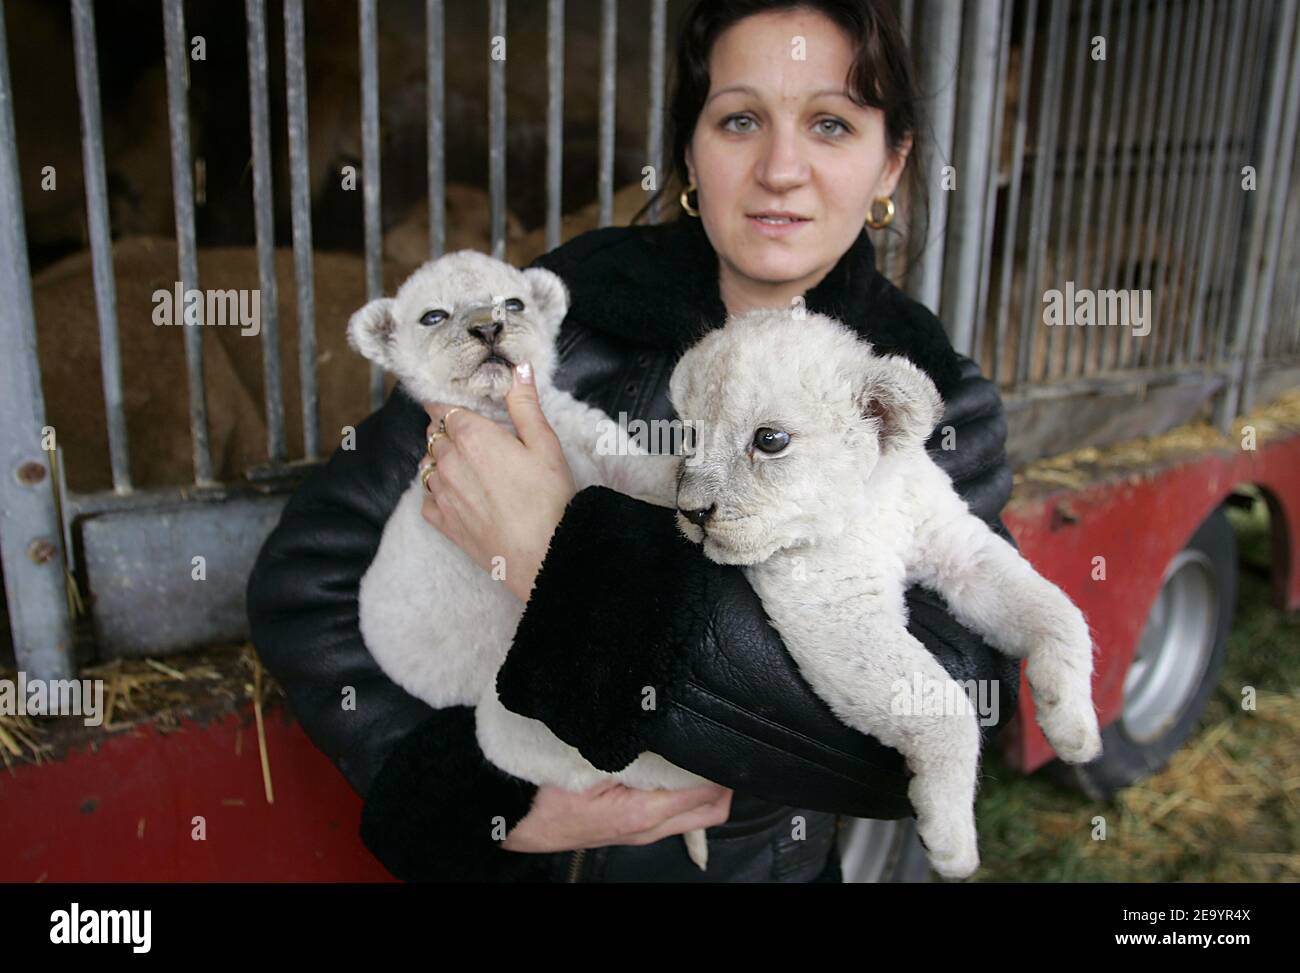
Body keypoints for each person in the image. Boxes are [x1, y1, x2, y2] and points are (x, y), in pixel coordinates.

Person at [246, 0, 1019, 883]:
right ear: (692, 150)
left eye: (831, 124)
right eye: (739, 119)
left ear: (892, 162)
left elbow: (929, 725)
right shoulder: (555, 325)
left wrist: (553, 556)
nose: (780, 169)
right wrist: (482, 794)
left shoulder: (925, 400)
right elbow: (306, 578)